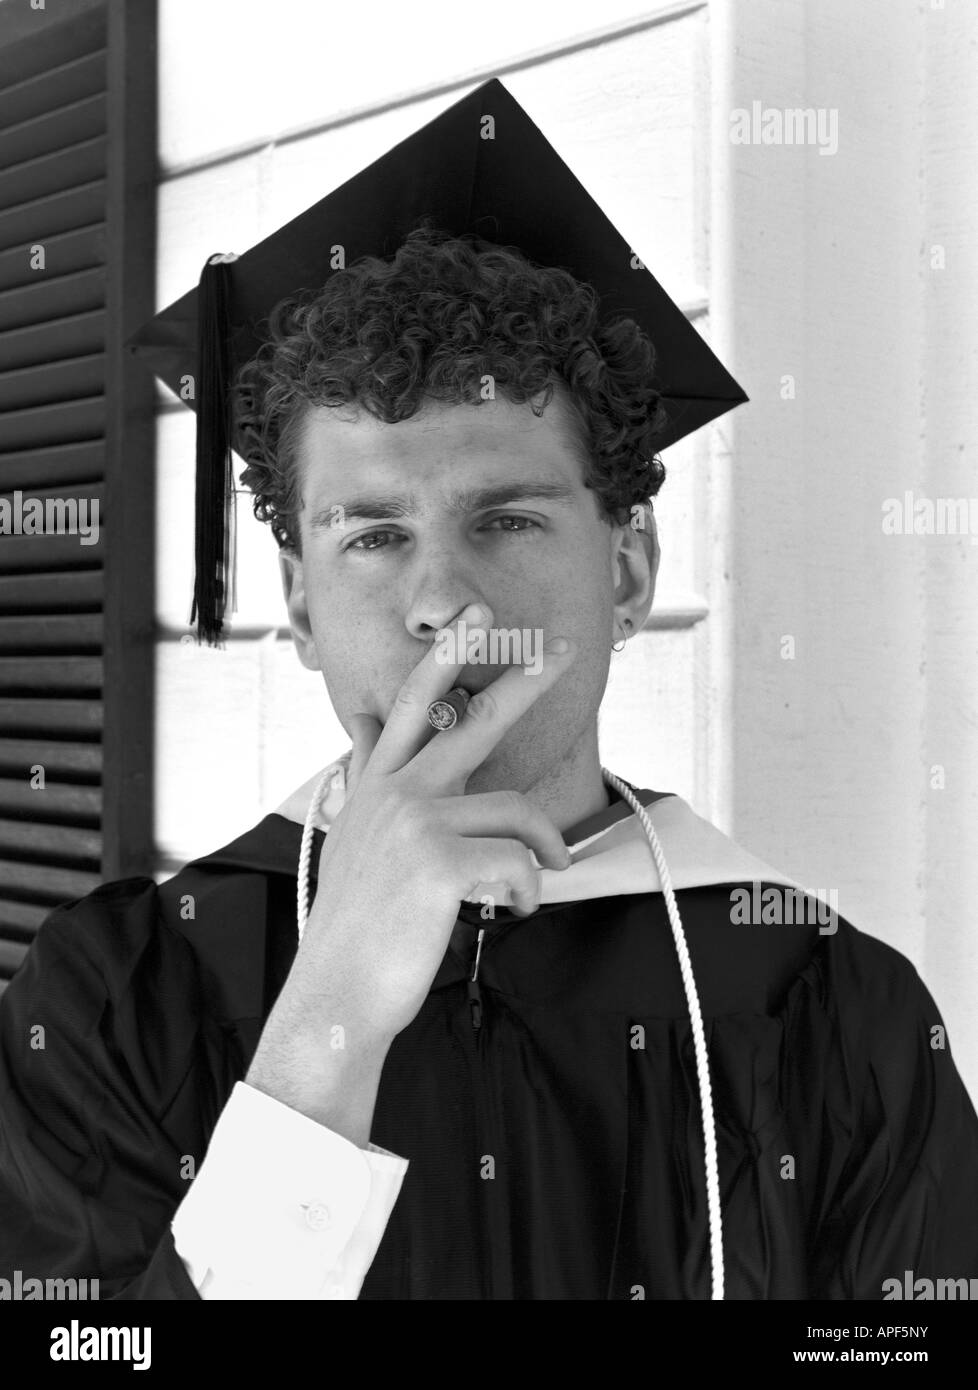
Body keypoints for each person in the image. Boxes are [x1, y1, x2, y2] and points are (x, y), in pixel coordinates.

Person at [1, 79, 976, 1302]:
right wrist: (326, 1031)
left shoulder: (840, 1015)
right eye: (370, 535)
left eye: (506, 518)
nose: (443, 604)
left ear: (628, 569)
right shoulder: (117, 998)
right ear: (297, 604)